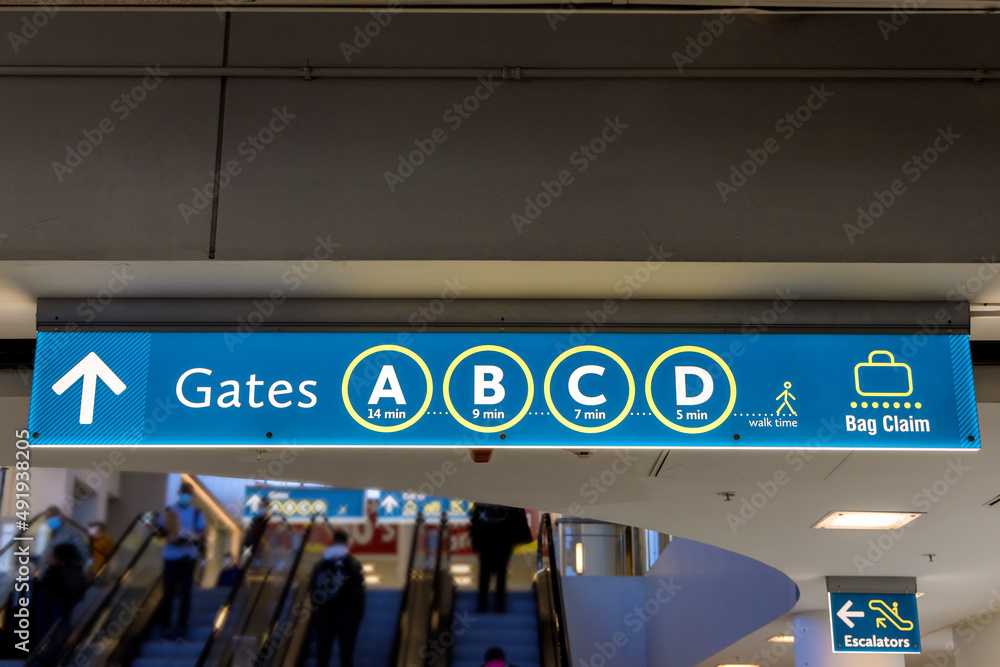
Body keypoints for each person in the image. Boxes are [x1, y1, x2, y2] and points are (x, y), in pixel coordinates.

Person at [308, 530, 365, 667]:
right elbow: (359, 593)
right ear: (346, 543)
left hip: (324, 616)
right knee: (346, 655)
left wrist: (316, 614)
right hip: (347, 616)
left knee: (322, 656)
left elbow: (313, 590)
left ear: (333, 542)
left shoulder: (320, 565)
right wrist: (358, 615)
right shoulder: (353, 565)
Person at [157, 482, 206, 640]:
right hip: (171, 556)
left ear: (191, 496)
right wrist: (168, 532)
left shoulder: (197, 513)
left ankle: (182, 627)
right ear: (179, 493)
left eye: (189, 493)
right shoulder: (169, 511)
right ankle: (165, 626)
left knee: (186, 592)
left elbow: (201, 535)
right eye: (184, 492)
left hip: (188, 557)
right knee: (168, 592)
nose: (186, 496)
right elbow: (159, 531)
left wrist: (191, 537)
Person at [469, 504, 531, 613]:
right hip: (504, 539)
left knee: (485, 572)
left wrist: (475, 541)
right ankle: (499, 605)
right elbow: (516, 518)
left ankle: (482, 605)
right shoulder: (509, 502)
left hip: (486, 540)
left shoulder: (482, 502)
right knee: (501, 572)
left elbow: (474, 520)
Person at [34, 543, 88, 657]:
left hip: (54, 613)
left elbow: (47, 590)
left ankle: (43, 657)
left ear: (58, 557)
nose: (49, 557)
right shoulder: (75, 570)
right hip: (64, 612)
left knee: (50, 639)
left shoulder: (56, 573)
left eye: (52, 555)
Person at [42, 506, 89, 570]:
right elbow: (46, 554)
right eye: (48, 518)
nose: (49, 520)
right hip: (53, 572)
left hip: (66, 572)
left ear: (60, 517)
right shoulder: (53, 535)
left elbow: (83, 555)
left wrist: (60, 561)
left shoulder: (72, 534)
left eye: (52, 517)